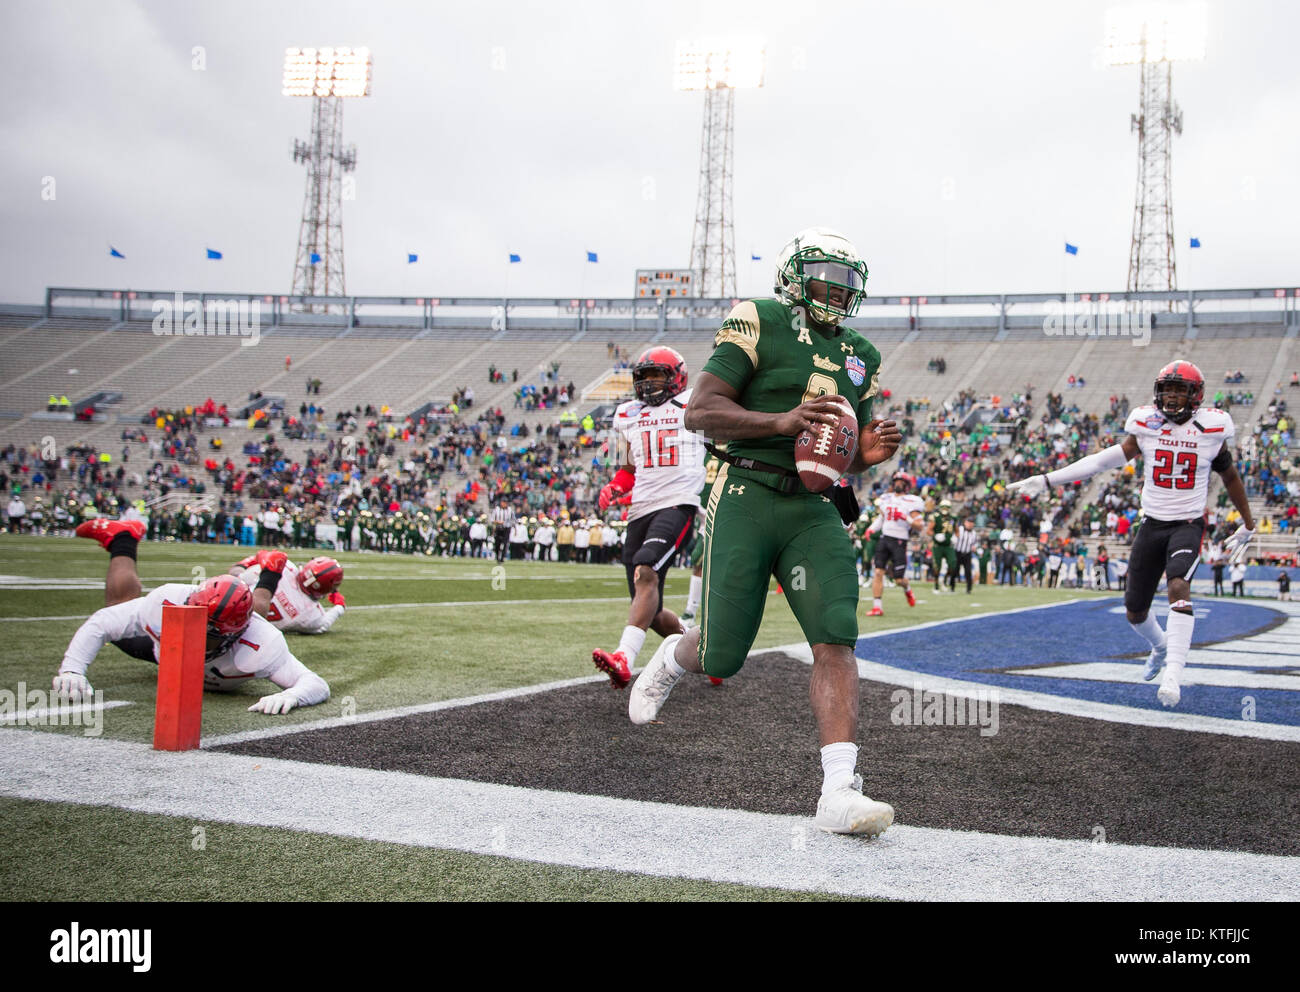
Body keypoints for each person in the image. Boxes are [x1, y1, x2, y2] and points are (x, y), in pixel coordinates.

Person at [626, 227, 901, 837]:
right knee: (724, 652)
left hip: (812, 506)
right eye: (827, 275)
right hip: (744, 490)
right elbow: (700, 411)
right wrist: (779, 419)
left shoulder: (862, 352)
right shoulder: (759, 317)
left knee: (836, 635)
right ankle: (672, 655)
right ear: (794, 276)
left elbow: (829, 452)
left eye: (849, 280)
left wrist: (863, 456)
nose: (839, 289)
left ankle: (838, 791)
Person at [1009, 360, 1255, 708]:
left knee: (1178, 586)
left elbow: (1230, 478)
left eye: (1178, 389)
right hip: (1152, 524)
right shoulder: (1147, 425)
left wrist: (1248, 522)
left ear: (1195, 394)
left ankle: (1173, 673)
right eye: (1166, 389)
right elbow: (1099, 461)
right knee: (1135, 611)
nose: (1170, 396)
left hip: (1187, 524)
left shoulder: (1212, 429)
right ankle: (1160, 646)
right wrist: (1047, 479)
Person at [53, 519, 329, 714]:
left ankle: (123, 540)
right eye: (191, 619)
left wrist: (292, 695)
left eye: (205, 634)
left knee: (249, 613)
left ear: (233, 638)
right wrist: (72, 669)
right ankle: (122, 538)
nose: (194, 633)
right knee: (118, 605)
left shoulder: (261, 643)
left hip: (228, 637)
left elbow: (315, 683)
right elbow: (101, 622)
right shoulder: (169, 600)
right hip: (167, 651)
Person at [591, 347, 706, 688]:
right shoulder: (628, 414)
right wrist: (615, 486)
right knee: (650, 611)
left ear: (677, 377)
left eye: (658, 376)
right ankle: (703, 650)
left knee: (646, 571)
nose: (651, 383)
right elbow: (628, 468)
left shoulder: (694, 405)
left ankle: (624, 658)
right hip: (640, 510)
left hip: (678, 504)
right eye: (645, 377)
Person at [229, 551, 346, 634]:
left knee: (237, 575)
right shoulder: (312, 616)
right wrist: (339, 607)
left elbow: (258, 558)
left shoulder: (286, 566)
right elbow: (324, 623)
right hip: (246, 628)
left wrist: (242, 566)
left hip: (230, 599)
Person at [867, 471, 924, 614]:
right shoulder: (885, 498)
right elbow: (882, 518)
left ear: (906, 485)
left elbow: (919, 525)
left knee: (898, 580)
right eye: (896, 481)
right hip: (885, 538)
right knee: (878, 571)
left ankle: (907, 589)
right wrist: (871, 529)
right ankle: (877, 607)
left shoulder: (912, 501)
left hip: (900, 540)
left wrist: (906, 518)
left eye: (901, 482)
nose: (898, 484)